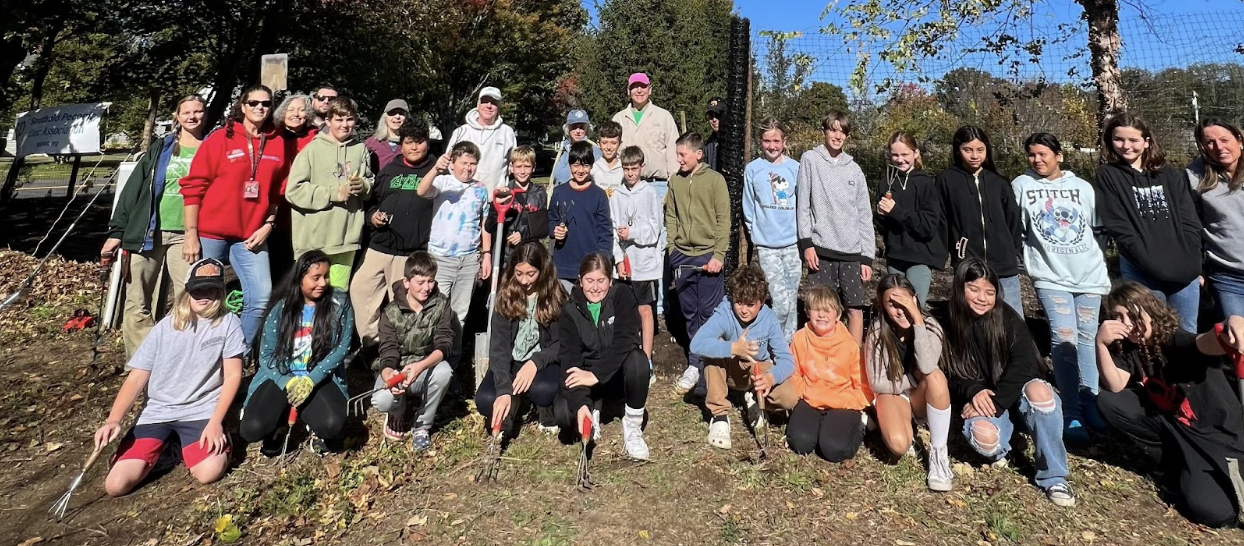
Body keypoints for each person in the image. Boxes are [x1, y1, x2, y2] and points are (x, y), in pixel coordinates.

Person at [1095, 282, 1244, 527]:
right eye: (1119, 317)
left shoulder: (1175, 340)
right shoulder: (1133, 350)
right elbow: (1115, 385)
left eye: (1133, 315)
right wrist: (1100, 344)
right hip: (1176, 432)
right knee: (1109, 402)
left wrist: (1230, 326)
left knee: (1216, 513)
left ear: (1150, 311)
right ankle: (1172, 464)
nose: (1127, 323)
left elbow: (1206, 343)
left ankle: (1194, 474)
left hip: (1218, 436)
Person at [92, 258, 244, 496]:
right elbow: (136, 378)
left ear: (220, 291)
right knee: (115, 486)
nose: (204, 295)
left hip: (201, 411)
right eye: (197, 289)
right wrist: (113, 419)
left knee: (209, 472)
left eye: (211, 289)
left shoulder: (228, 323)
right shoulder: (164, 328)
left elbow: (234, 375)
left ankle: (209, 442)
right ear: (187, 291)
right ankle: (165, 448)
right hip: (158, 412)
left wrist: (215, 423)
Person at [944, 258, 1075, 506]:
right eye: (974, 288)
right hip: (986, 400)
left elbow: (1025, 364)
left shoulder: (1007, 317)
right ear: (959, 287)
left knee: (1040, 392)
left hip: (1013, 395)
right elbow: (948, 373)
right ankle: (1005, 444)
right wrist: (973, 390)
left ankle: (1054, 476)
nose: (982, 297)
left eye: (990, 292)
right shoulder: (948, 321)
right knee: (984, 439)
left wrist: (998, 400)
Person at [1012, 132, 1111, 444]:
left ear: (1059, 155)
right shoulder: (1021, 186)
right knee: (1063, 337)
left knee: (1087, 336)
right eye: (1032, 155)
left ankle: (1090, 401)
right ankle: (1071, 411)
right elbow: (1018, 230)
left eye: (1044, 154)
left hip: (1088, 276)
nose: (1038, 160)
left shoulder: (1082, 188)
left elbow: (1097, 230)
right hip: (1050, 276)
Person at [180, 84, 290, 347]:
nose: (260, 108)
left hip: (250, 235)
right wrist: (191, 235)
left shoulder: (277, 142)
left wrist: (269, 224)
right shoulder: (220, 139)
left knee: (261, 297)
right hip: (211, 233)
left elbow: (278, 192)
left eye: (265, 103)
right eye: (253, 103)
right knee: (200, 297)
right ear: (242, 106)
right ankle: (194, 349)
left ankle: (235, 354)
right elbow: (193, 187)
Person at [104, 94, 206, 357]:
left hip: (188, 235)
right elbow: (134, 188)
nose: (192, 117)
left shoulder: (211, 147)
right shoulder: (161, 148)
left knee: (190, 297)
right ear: (177, 116)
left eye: (198, 111)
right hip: (148, 233)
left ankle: (182, 356)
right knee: (138, 299)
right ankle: (143, 361)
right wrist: (117, 232)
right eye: (187, 112)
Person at [240, 251, 354, 455]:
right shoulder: (281, 308)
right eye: (315, 278)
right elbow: (266, 354)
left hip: (318, 375)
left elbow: (342, 347)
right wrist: (287, 382)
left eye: (326, 276)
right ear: (300, 278)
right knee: (252, 429)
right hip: (282, 374)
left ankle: (312, 423)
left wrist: (312, 379)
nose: (323, 283)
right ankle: (279, 420)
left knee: (331, 424)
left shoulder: (339, 303)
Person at [1096, 112, 1202, 333]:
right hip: (1141, 267)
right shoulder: (1108, 175)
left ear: (1146, 142)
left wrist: (1192, 260)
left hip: (1183, 268)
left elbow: (1189, 220)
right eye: (1119, 139)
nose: (1126, 146)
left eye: (1133, 140)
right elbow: (1119, 226)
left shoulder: (1170, 175)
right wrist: (1151, 263)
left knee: (1186, 331)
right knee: (1150, 331)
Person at [351, 120, 437, 350]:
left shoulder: (436, 170)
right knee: (360, 291)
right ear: (402, 144)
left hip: (410, 251)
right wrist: (373, 218)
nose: (414, 147)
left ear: (427, 143)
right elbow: (371, 204)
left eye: (419, 142)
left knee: (401, 302)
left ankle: (398, 348)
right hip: (379, 246)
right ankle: (371, 344)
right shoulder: (389, 170)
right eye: (409, 142)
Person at [555, 253, 650, 460]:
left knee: (638, 360)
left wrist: (597, 374)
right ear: (580, 281)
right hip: (587, 378)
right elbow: (570, 358)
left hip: (615, 373)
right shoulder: (570, 311)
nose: (595, 287)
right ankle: (591, 409)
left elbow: (627, 340)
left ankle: (633, 425)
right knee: (563, 413)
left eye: (601, 281)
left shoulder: (622, 296)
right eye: (589, 281)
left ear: (610, 280)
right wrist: (580, 404)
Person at [689, 264, 794, 449]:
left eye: (750, 304)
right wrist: (733, 348)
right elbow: (697, 343)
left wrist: (771, 377)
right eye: (739, 302)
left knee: (789, 397)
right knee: (712, 354)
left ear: (761, 301)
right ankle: (719, 416)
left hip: (756, 372)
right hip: (730, 370)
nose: (744, 310)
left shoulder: (769, 318)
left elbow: (787, 360)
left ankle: (754, 398)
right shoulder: (725, 312)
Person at [865, 275, 953, 491]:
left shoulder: (932, 326)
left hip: (922, 395)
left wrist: (918, 322)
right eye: (892, 304)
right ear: (882, 306)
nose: (899, 309)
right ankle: (902, 425)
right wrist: (911, 380)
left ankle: (939, 454)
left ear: (915, 299)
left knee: (936, 376)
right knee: (898, 445)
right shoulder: (878, 330)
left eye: (904, 302)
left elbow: (926, 366)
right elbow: (876, 382)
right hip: (895, 394)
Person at [797, 111, 874, 345]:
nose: (837, 135)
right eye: (833, 129)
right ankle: (821, 355)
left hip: (852, 252)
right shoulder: (810, 160)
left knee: (854, 309)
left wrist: (867, 257)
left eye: (842, 131)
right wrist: (806, 243)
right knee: (820, 309)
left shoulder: (854, 169)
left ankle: (853, 359)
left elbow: (864, 214)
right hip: (821, 250)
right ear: (824, 131)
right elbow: (803, 205)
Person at [476, 243, 567, 434]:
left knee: (544, 390)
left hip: (541, 362)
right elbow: (499, 349)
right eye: (519, 274)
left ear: (543, 270)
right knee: (486, 401)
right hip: (511, 362)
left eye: (530, 274)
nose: (524, 280)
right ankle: (512, 400)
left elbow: (561, 343)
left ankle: (545, 408)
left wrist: (535, 362)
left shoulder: (555, 297)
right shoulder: (506, 297)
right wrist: (503, 389)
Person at [286, 96, 373, 291]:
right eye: (339, 119)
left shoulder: (360, 150)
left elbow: (369, 182)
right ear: (328, 121)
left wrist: (364, 186)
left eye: (349, 119)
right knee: (311, 296)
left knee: (338, 296)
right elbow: (293, 191)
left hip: (346, 240)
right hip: (314, 242)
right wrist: (333, 193)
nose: (344, 125)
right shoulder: (312, 150)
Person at [667, 132, 732, 396]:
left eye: (683, 155)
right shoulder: (675, 181)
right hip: (682, 256)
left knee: (708, 314)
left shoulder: (716, 181)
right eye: (677, 154)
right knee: (690, 314)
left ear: (698, 154)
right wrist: (673, 249)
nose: (679, 159)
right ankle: (695, 363)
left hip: (708, 257)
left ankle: (709, 370)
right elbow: (671, 216)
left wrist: (718, 255)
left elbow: (723, 221)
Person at [369, 251, 454, 451]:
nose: (427, 288)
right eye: (421, 282)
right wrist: (389, 374)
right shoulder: (390, 312)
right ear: (407, 282)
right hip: (398, 369)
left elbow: (445, 344)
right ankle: (398, 412)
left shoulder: (441, 304)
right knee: (381, 400)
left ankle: (422, 424)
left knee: (444, 373)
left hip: (425, 367)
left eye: (431, 281)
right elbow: (387, 351)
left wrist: (420, 366)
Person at [417, 141, 492, 363]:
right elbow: (421, 190)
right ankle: (427, 359)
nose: (468, 168)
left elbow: (484, 223)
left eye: (473, 164)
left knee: (460, 314)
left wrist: (485, 254)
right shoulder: (442, 182)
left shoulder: (480, 188)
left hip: (469, 259)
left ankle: (453, 362)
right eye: (463, 163)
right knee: (434, 310)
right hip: (441, 259)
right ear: (453, 163)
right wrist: (435, 169)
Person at [612, 73, 681, 315]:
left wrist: (671, 187)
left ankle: (661, 303)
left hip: (658, 185)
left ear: (650, 89)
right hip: (628, 188)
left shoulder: (663, 117)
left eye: (643, 87)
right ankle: (631, 299)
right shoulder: (620, 118)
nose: (639, 91)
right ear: (628, 90)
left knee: (658, 245)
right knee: (629, 241)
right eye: (634, 87)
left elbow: (673, 153)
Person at [779, 285, 871, 463]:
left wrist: (845, 401)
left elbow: (863, 388)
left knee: (834, 450)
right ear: (808, 312)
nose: (821, 315)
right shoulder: (800, 338)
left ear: (837, 315)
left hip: (841, 403)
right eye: (816, 309)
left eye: (827, 310)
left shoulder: (850, 346)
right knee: (800, 443)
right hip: (811, 398)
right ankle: (819, 426)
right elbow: (794, 372)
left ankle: (860, 424)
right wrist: (805, 391)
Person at [939, 125, 1023, 315]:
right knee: (971, 319)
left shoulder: (998, 180)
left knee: (1013, 319)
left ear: (987, 149)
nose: (974, 155)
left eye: (980, 150)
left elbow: (1013, 219)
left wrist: (1011, 248)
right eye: (967, 150)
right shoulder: (946, 179)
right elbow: (943, 220)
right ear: (957, 150)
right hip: (968, 263)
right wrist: (954, 252)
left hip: (1004, 264)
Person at [743, 117, 801, 342]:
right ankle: (765, 340)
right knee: (781, 303)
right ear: (760, 141)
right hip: (767, 246)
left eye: (776, 141)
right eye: (767, 141)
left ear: (784, 141)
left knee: (792, 299)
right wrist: (755, 231)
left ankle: (789, 348)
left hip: (792, 244)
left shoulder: (795, 168)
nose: (772, 146)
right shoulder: (754, 169)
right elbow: (748, 206)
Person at [875, 131, 945, 308]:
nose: (900, 159)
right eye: (895, 155)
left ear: (916, 154)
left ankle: (920, 336)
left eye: (905, 154)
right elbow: (883, 228)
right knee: (894, 308)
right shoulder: (886, 183)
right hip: (895, 256)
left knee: (913, 309)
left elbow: (927, 226)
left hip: (919, 257)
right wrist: (880, 215)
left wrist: (895, 211)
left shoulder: (926, 184)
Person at [610, 145, 662, 369]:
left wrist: (633, 233)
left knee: (644, 310)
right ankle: (625, 354)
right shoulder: (616, 195)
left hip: (645, 263)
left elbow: (655, 229)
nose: (630, 173)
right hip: (625, 264)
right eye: (626, 169)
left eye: (634, 168)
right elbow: (612, 230)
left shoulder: (650, 193)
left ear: (642, 167)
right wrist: (619, 259)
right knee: (623, 310)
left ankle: (646, 359)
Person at [1188, 118, 1244, 319]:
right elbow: (1191, 225)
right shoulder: (1194, 176)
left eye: (1224, 139)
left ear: (1239, 139)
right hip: (1228, 275)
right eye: (1210, 142)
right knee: (1237, 343)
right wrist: (1197, 267)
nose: (1219, 147)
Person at [548, 141, 613, 289]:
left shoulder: (598, 195)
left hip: (591, 268)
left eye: (585, 165)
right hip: (564, 265)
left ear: (591, 166)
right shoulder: (559, 192)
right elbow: (551, 219)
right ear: (570, 165)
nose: (581, 170)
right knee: (564, 309)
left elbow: (605, 233)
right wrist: (554, 230)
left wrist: (603, 263)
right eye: (576, 165)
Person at [270, 94, 319, 282]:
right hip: (277, 204)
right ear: (283, 113)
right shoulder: (274, 135)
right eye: (291, 110)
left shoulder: (315, 137)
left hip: (302, 207)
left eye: (301, 110)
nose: (296, 114)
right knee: (275, 260)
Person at [484, 146, 549, 270]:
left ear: (533, 167)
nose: (523, 171)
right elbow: (489, 226)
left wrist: (523, 235)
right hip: (504, 256)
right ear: (511, 167)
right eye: (518, 167)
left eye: (527, 166)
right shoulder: (504, 192)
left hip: (529, 254)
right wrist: (494, 206)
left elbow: (541, 228)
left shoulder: (539, 193)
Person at [445, 86, 516, 192]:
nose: (489, 106)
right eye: (485, 101)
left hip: (496, 199)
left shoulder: (507, 133)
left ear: (498, 107)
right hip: (464, 196)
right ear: (478, 105)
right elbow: (449, 163)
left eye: (493, 103)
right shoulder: (461, 132)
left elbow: (514, 165)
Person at [551, 109, 600, 188]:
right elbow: (557, 176)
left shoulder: (594, 151)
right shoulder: (564, 149)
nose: (578, 131)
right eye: (574, 127)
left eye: (581, 127)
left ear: (587, 129)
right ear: (568, 128)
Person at [365, 99, 410, 171]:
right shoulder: (371, 143)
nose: (397, 116)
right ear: (385, 118)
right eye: (392, 113)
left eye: (401, 113)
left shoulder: (412, 143)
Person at [590, 121, 624, 194]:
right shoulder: (593, 168)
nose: (609, 147)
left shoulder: (624, 169)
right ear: (598, 144)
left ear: (620, 144)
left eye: (613, 143)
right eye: (604, 143)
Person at [704, 97, 724, 170]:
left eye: (718, 115)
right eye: (711, 116)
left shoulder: (733, 141)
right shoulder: (709, 143)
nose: (714, 120)